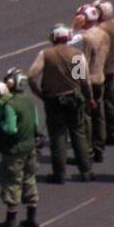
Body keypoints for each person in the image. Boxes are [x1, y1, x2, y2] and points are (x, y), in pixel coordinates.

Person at [27, 24, 93, 183]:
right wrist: (89, 98)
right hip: (74, 99)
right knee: (78, 133)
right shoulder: (77, 54)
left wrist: (39, 93)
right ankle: (86, 171)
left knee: (57, 136)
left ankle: (60, 174)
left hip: (53, 100)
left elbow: (31, 76)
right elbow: (83, 81)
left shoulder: (46, 54)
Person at [0, 72, 41, 227]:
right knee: (29, 180)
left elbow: (11, 129)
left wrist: (2, 125)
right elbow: (37, 125)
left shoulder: (10, 105)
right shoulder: (30, 101)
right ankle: (31, 218)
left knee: (12, 183)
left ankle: (10, 222)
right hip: (30, 147)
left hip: (14, 150)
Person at [72, 4, 110, 160]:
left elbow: (79, 62)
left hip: (87, 81)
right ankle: (99, 147)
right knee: (99, 115)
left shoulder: (85, 38)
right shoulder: (104, 34)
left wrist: (77, 81)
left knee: (84, 117)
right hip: (100, 77)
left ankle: (86, 150)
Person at [92, 0, 114, 147]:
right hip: (112, 69)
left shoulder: (100, 30)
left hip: (98, 71)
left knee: (95, 105)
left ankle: (97, 138)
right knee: (112, 102)